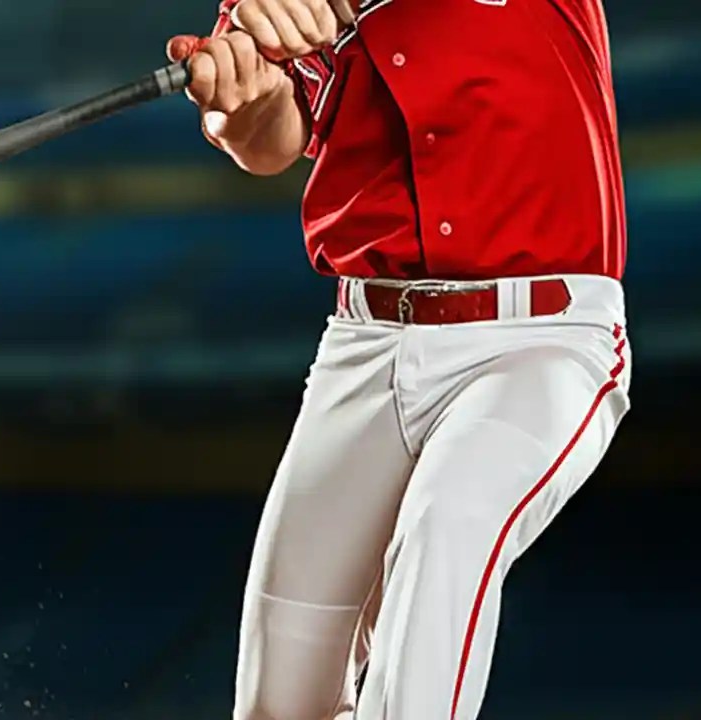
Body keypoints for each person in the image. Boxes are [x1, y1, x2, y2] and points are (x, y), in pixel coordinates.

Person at [169, 0, 630, 717]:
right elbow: (270, 137)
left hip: (537, 336)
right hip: (366, 343)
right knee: (277, 699)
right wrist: (243, 92)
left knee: (450, 522)